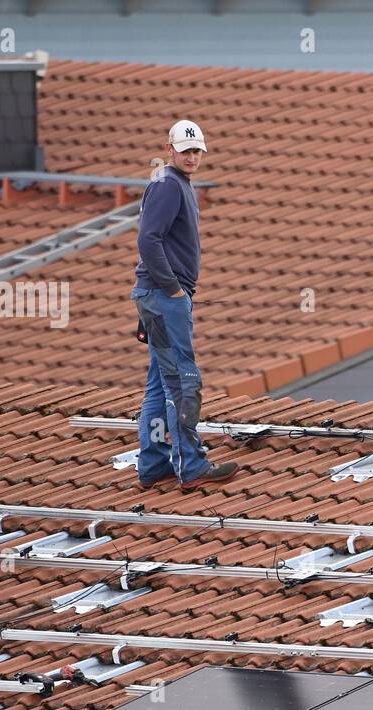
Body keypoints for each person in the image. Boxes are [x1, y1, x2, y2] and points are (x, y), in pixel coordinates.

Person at [132, 120, 237, 490]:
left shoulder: (174, 184)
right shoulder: (168, 185)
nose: (192, 157)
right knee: (183, 381)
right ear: (170, 148)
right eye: (186, 150)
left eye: (197, 151)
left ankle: (152, 463)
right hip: (164, 298)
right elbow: (149, 240)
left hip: (156, 296)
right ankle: (191, 466)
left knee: (160, 383)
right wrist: (174, 290)